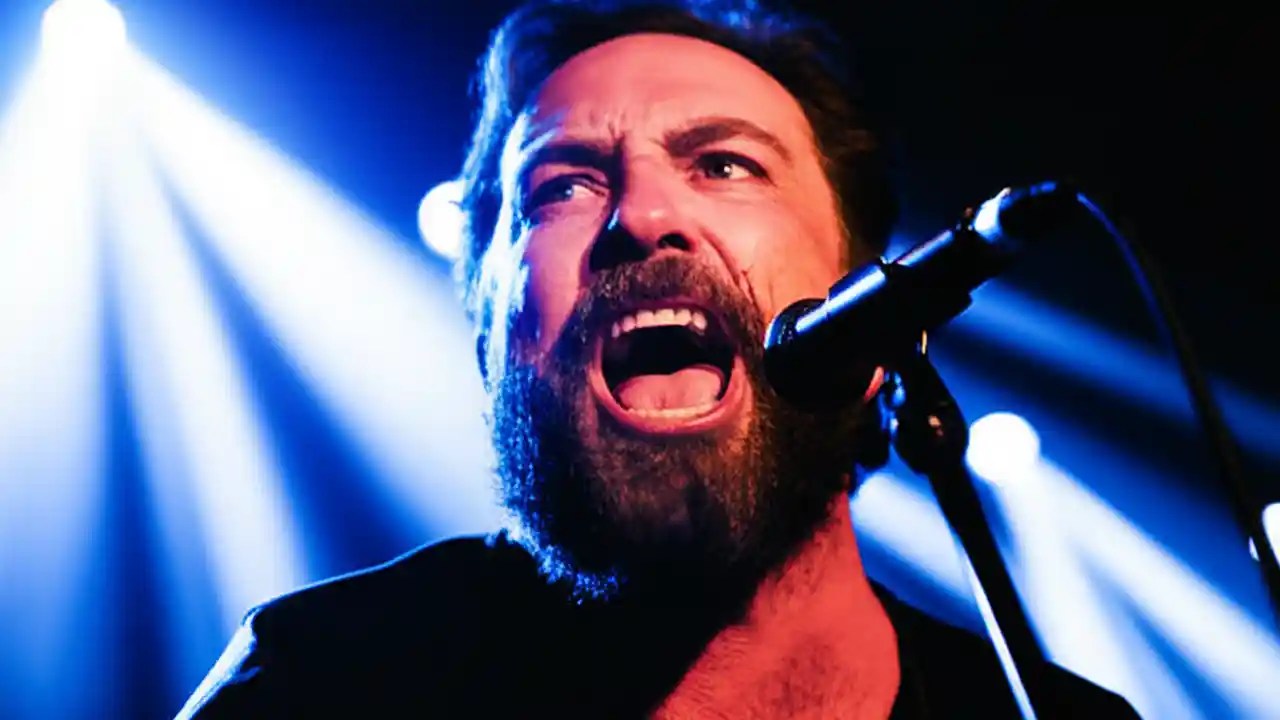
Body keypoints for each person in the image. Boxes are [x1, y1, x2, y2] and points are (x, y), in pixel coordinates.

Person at [178, 1, 1140, 717]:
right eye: (561, 187)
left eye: (726, 165)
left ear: (871, 323)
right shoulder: (318, 681)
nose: (641, 216)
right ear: (489, 341)